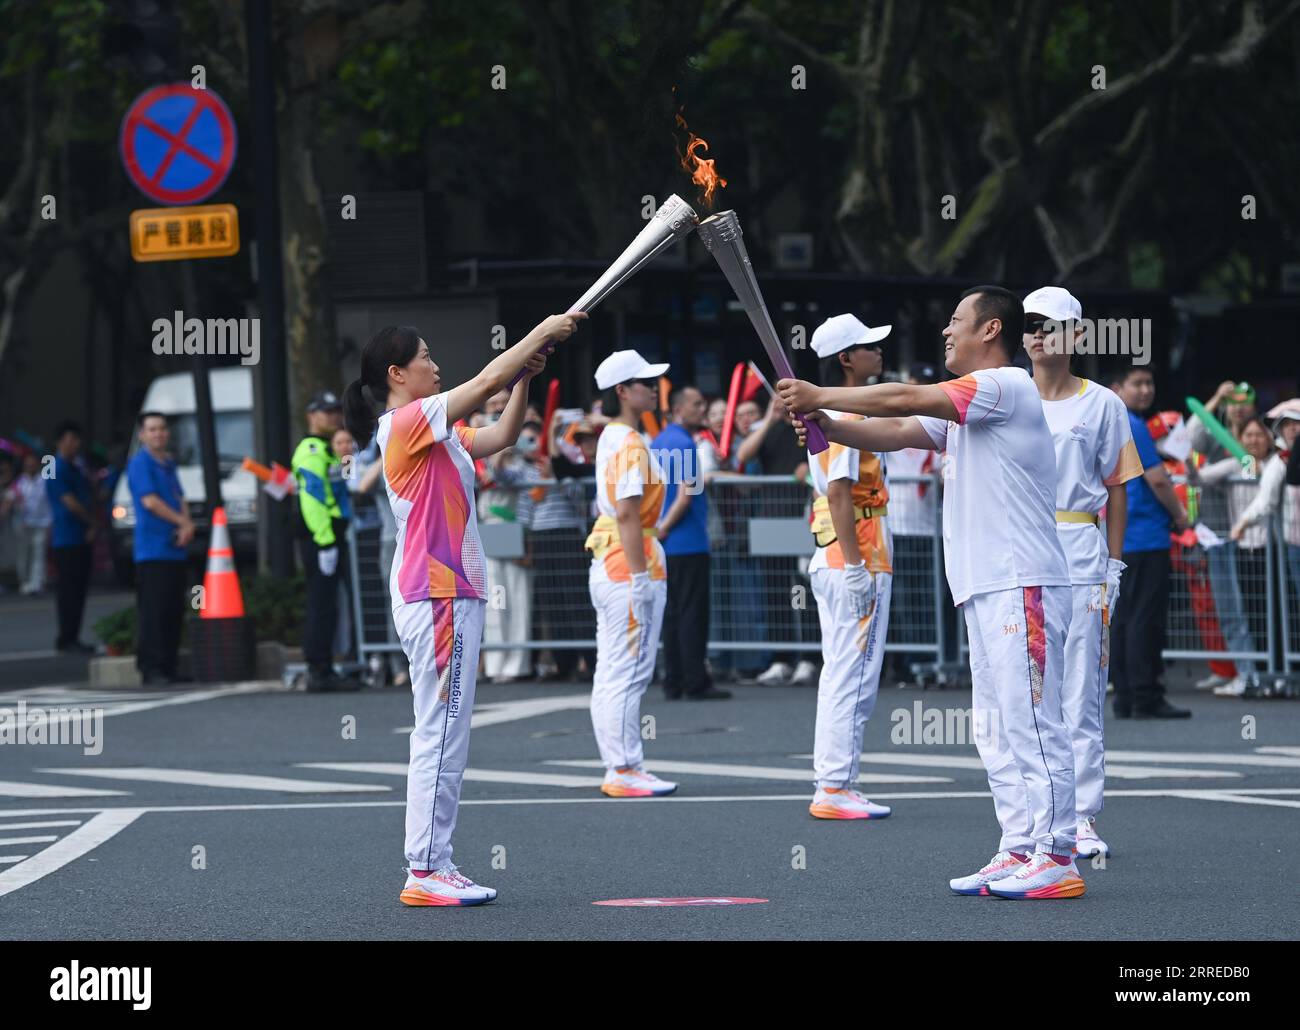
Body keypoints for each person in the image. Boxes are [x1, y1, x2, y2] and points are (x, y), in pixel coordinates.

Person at [780, 285, 1085, 900]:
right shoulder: (964, 412)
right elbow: (891, 430)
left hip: (1021, 579)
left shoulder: (1004, 387)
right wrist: (827, 422)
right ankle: (1019, 845)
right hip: (983, 586)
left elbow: (903, 395)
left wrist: (820, 394)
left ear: (991, 330)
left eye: (955, 321)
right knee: (995, 728)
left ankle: (1058, 854)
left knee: (1030, 720)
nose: (945, 332)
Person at [343, 312, 584, 907]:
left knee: (445, 730)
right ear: (397, 374)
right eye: (425, 356)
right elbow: (480, 386)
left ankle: (433, 862)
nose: (435, 363)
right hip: (436, 593)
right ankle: (425, 867)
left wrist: (527, 374)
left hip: (451, 592)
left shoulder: (440, 432)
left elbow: (500, 433)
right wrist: (543, 330)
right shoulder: (404, 422)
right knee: (441, 731)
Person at [1023, 287, 1143, 859]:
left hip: (1080, 547)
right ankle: (1037, 814)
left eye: (1050, 325)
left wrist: (1113, 563)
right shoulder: (1009, 396)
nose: (1038, 333)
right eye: (1029, 324)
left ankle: (1084, 815)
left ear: (1074, 335)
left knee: (1083, 690)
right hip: (1023, 547)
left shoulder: (1102, 404)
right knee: (1031, 690)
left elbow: (1117, 488)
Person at [804, 314, 895, 820]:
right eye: (867, 347)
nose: (876, 353)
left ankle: (835, 781)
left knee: (843, 671)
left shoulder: (834, 414)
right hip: (855, 555)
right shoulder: (844, 419)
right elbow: (839, 493)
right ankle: (835, 785)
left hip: (845, 554)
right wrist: (859, 567)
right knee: (853, 674)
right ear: (846, 360)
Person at [585, 350, 678, 797]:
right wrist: (641, 579)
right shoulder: (629, 442)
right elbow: (626, 512)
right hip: (628, 563)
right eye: (644, 382)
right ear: (622, 391)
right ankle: (623, 768)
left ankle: (619, 764)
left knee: (612, 671)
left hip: (611, 560)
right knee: (629, 671)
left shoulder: (612, 437)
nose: (652, 388)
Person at [1110, 367, 1192, 718]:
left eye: (1149, 383)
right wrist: (1181, 515)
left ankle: (1127, 695)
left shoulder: (1111, 423)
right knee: (1146, 618)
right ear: (1117, 387)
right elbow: (1158, 481)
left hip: (1120, 536)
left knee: (1125, 618)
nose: (1145, 390)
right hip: (1146, 535)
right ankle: (1146, 695)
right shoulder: (1134, 425)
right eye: (1137, 383)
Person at [653, 385, 729, 701]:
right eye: (697, 404)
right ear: (679, 409)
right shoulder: (686, 444)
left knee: (670, 615)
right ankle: (695, 681)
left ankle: (673, 680)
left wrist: (657, 528)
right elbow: (688, 494)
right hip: (688, 540)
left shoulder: (657, 443)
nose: (702, 408)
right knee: (692, 615)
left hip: (666, 545)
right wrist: (665, 527)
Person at [737, 394, 817, 685]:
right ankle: (781, 658)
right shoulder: (766, 428)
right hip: (770, 519)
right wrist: (770, 418)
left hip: (802, 517)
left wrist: (807, 471)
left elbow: (822, 465)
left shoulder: (808, 426)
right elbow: (743, 455)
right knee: (774, 590)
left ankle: (809, 657)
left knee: (803, 592)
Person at [1186, 380, 1256, 691]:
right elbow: (1191, 438)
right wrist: (1214, 398)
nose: (1239, 407)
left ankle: (1249, 672)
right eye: (1233, 402)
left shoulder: (1257, 439)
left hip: (1254, 538)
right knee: (1224, 607)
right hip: (1218, 535)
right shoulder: (1216, 439)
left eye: (1245, 402)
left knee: (1248, 608)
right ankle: (1234, 669)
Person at [1202, 416, 1277, 696]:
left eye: (1259, 435)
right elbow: (1201, 476)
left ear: (1269, 439)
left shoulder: (1275, 464)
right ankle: (1252, 675)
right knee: (1247, 614)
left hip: (1272, 549)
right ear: (1240, 439)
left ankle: (1274, 675)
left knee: (1273, 616)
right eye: (1248, 435)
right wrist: (1185, 461)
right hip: (1243, 550)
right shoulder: (1236, 464)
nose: (1254, 440)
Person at [126, 413, 196, 686]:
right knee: (154, 612)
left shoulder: (168, 463)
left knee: (172, 610)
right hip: (152, 550)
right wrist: (182, 522)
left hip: (174, 547)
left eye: (162, 429)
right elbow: (150, 502)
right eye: (152, 429)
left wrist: (186, 524)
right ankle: (152, 668)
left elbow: (180, 497)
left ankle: (169, 665)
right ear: (142, 434)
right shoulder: (140, 463)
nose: (158, 434)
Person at [292, 392, 353, 693]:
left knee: (328, 605)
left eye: (334, 412)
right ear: (311, 416)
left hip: (328, 536)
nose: (332, 417)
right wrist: (325, 540)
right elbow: (313, 498)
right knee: (321, 605)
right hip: (322, 538)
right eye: (325, 412)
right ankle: (318, 669)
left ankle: (324, 665)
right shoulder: (313, 450)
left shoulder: (327, 451)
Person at [478, 391, 535, 682]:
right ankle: (497, 663)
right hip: (487, 526)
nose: (499, 410)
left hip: (515, 526)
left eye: (504, 405)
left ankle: (518, 663)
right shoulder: (473, 439)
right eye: (493, 405)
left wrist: (507, 447)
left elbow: (530, 479)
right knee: (494, 598)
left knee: (517, 593)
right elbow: (483, 476)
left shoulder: (523, 443)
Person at [45, 421, 97, 654]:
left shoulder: (75, 467)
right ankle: (67, 637)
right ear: (60, 441)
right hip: (68, 536)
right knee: (69, 591)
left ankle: (71, 635)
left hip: (77, 536)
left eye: (77, 439)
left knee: (77, 590)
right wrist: (91, 521)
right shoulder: (56, 466)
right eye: (71, 438)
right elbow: (68, 501)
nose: (75, 443)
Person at [8, 451, 52, 595]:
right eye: (28, 464)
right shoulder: (19, 482)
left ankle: (36, 583)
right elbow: (10, 500)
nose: (30, 466)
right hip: (23, 524)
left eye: (33, 463)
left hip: (42, 522)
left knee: (39, 554)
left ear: (38, 465)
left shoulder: (45, 480)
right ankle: (25, 581)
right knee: (24, 554)